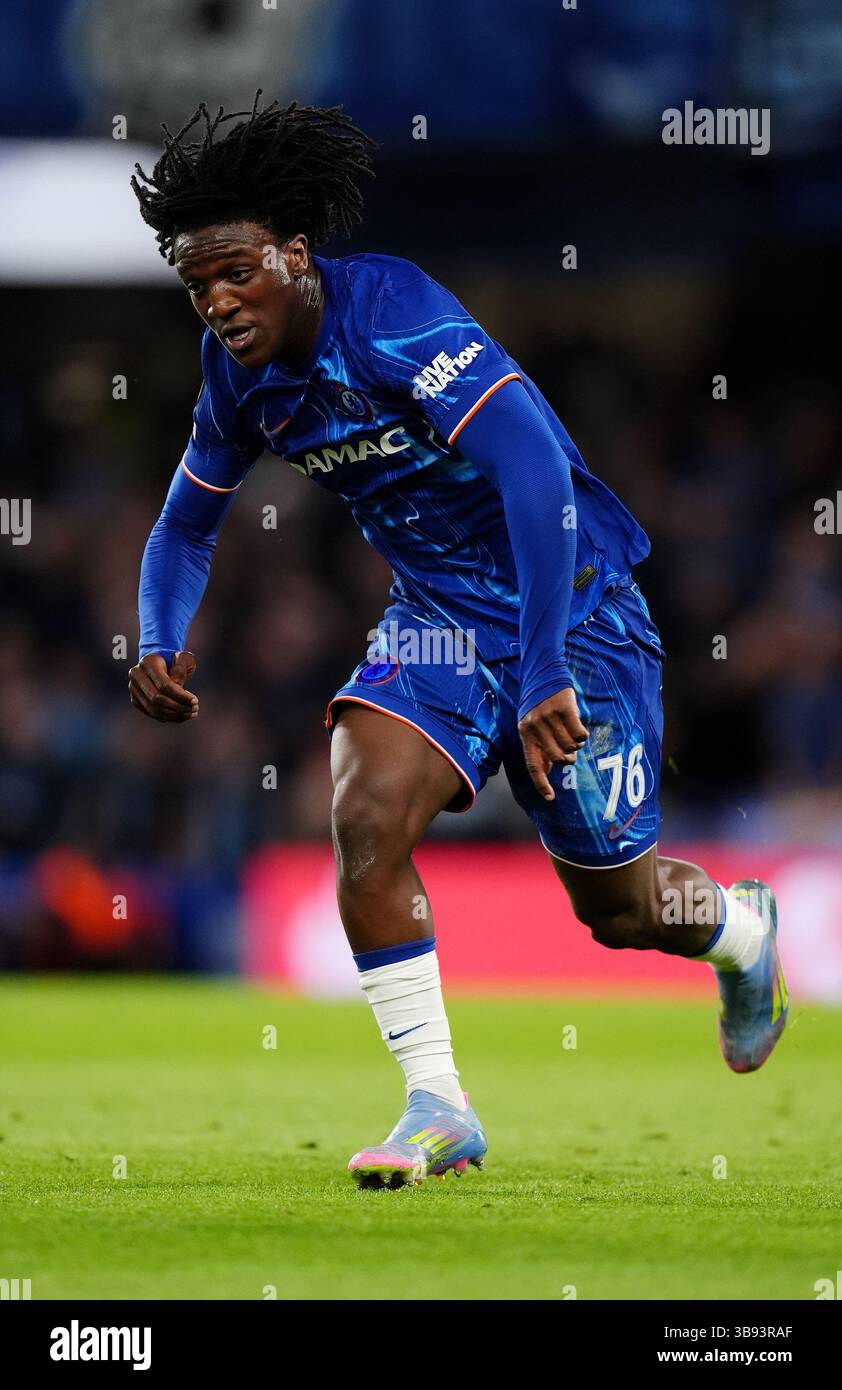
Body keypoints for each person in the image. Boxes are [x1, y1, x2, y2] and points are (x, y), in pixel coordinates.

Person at [129, 95, 788, 1190]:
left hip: (571, 610)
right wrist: (154, 637)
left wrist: (541, 670)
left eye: (237, 271)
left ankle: (735, 928)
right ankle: (438, 1103)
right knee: (359, 808)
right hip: (435, 622)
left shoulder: (392, 312)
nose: (220, 302)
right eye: (198, 285)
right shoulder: (234, 376)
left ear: (294, 255)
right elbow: (184, 522)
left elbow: (533, 474)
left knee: (617, 910)